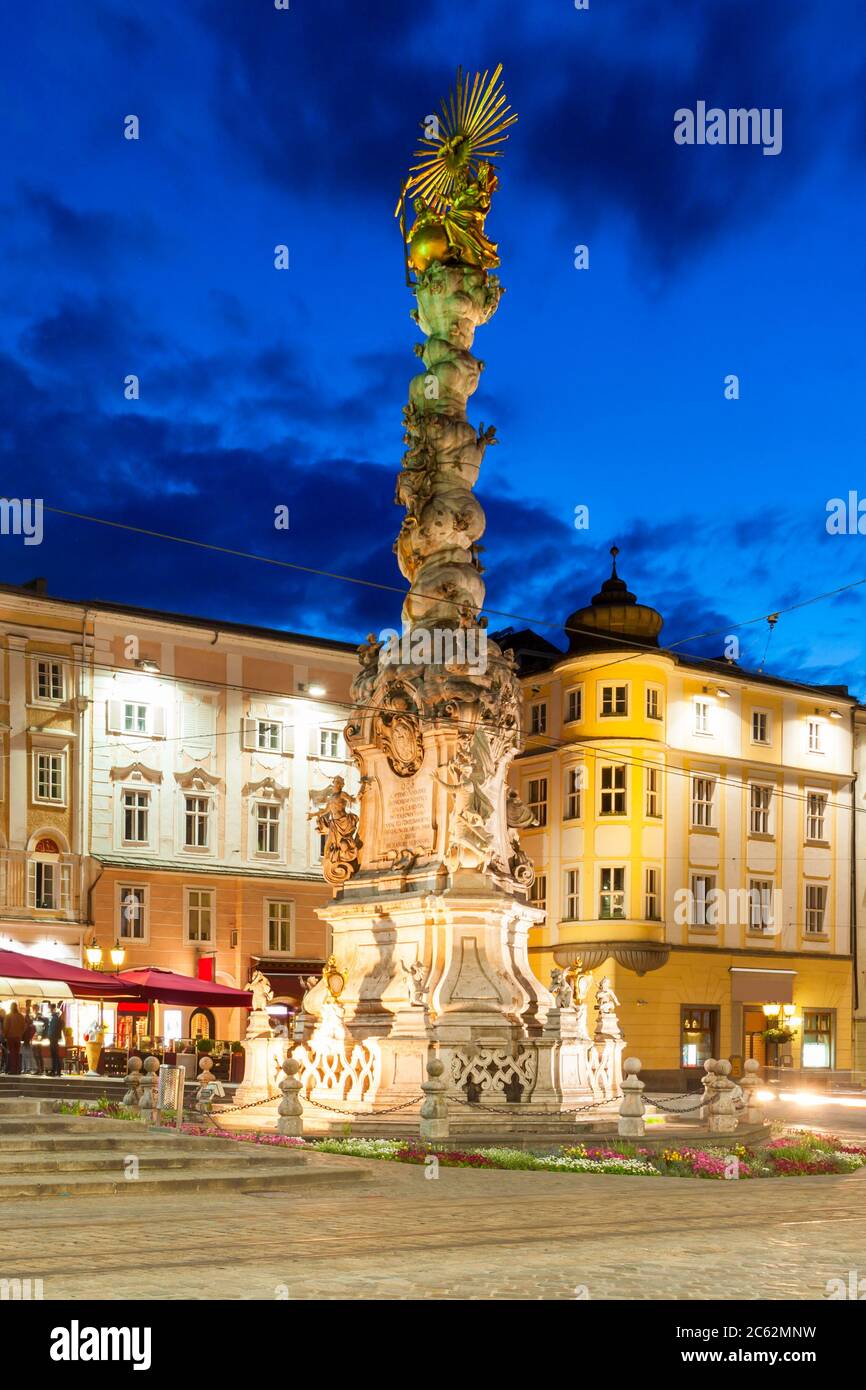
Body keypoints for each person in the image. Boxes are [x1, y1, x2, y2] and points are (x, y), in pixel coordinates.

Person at [3, 1002, 27, 1075]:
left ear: (11, 1007)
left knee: (12, 1054)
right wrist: (20, 1033)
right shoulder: (21, 1016)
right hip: (18, 1037)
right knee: (17, 1053)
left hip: (10, 1037)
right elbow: (24, 1026)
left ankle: (13, 1070)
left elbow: (6, 1027)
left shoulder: (8, 1016)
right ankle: (18, 1069)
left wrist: (4, 1035)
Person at [46, 1004, 64, 1077]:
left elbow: (53, 1030)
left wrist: (49, 1036)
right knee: (55, 1055)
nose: (50, 1010)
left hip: (53, 1039)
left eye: (50, 1009)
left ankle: (55, 1070)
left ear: (53, 1009)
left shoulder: (55, 1018)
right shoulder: (56, 1018)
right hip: (54, 1038)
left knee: (54, 1055)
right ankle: (57, 1070)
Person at [20, 1009, 38, 1075]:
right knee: (28, 1055)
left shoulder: (27, 1024)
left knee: (25, 1055)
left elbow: (24, 1032)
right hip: (27, 1041)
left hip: (26, 1041)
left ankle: (26, 1068)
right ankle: (28, 1068)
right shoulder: (31, 1025)